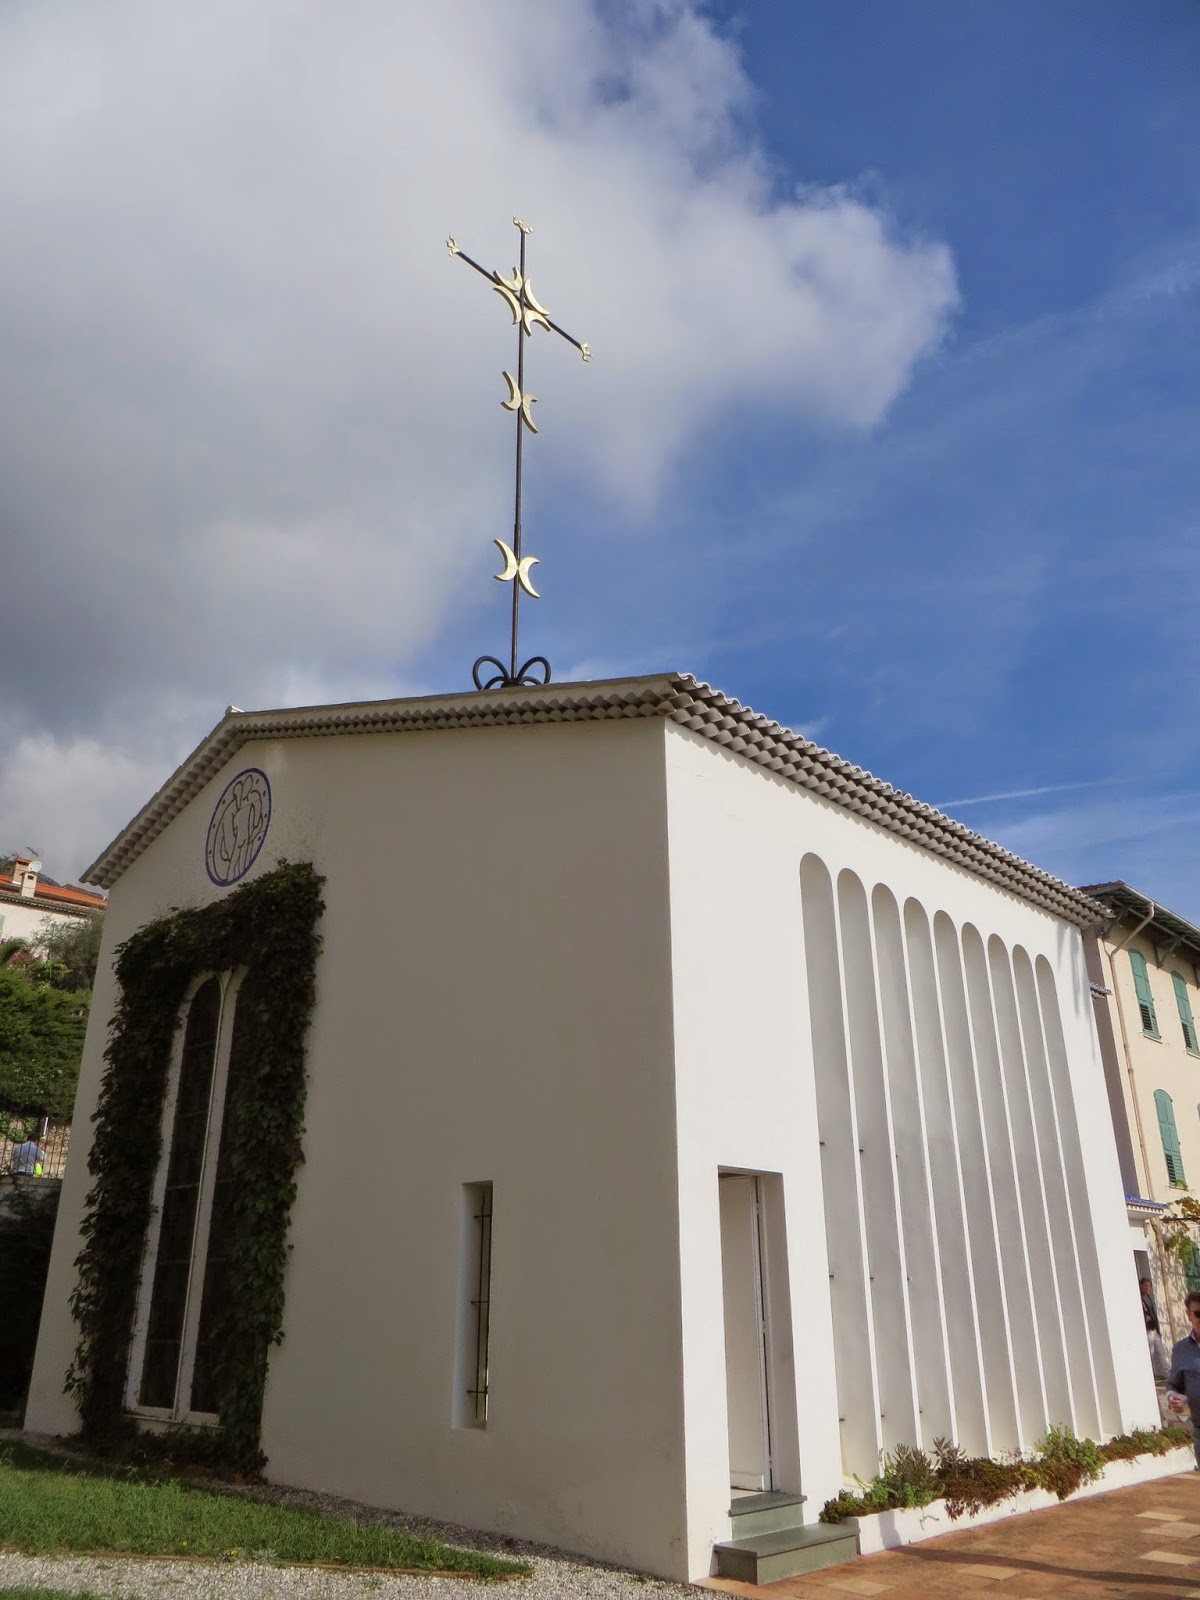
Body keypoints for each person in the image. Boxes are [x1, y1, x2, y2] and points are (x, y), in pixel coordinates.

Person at [1166, 1291, 1200, 1465]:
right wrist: (1174, 1399)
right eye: (1198, 1313)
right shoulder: (1181, 1350)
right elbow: (1175, 1385)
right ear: (1188, 1315)